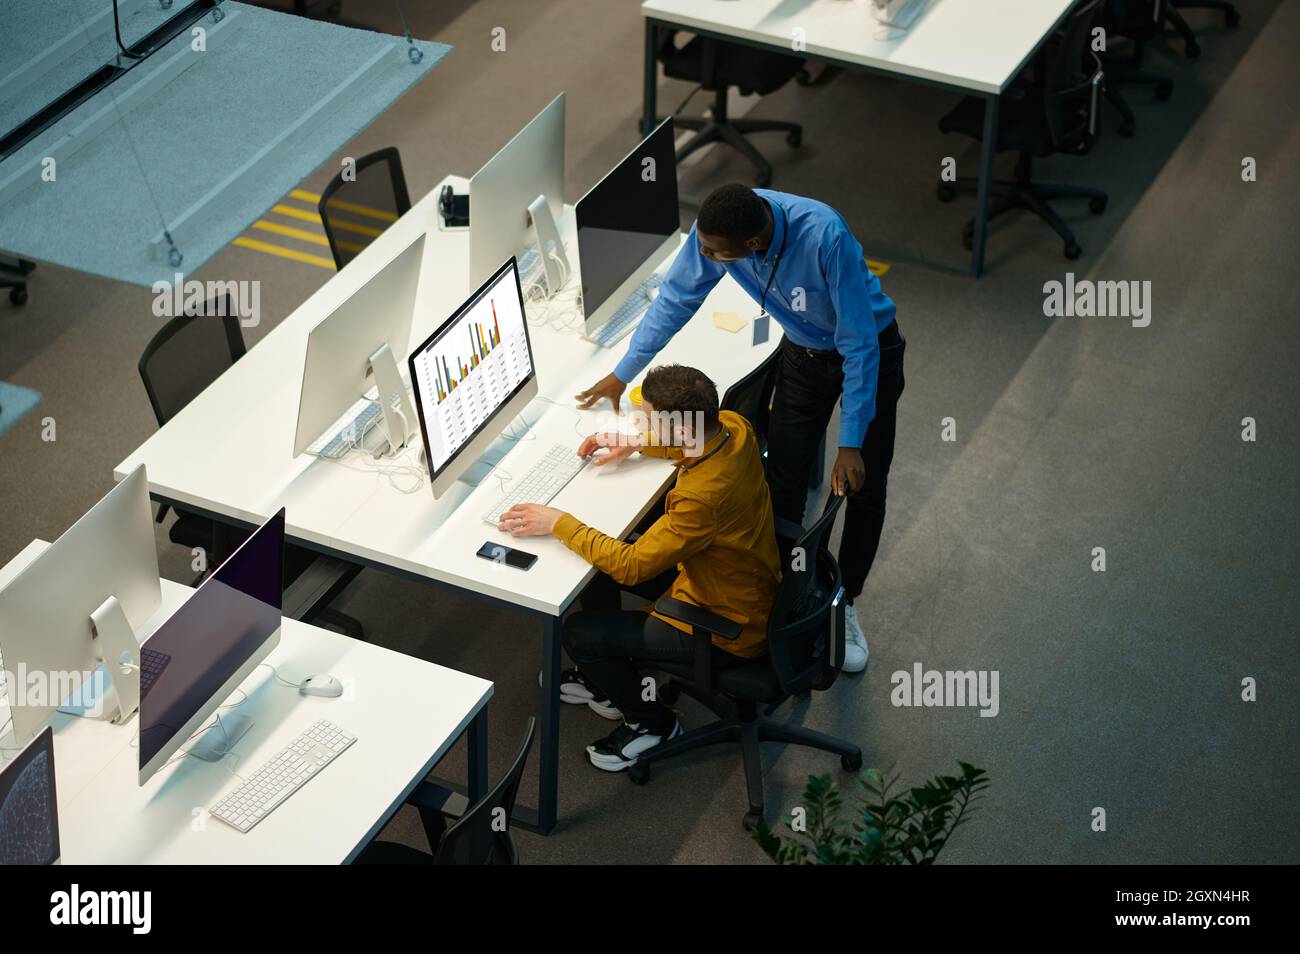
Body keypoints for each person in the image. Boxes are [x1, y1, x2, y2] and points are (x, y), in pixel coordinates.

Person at [575, 184, 904, 673]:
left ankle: (845, 604)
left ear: (752, 244)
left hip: (871, 348)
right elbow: (677, 297)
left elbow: (859, 345)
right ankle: (779, 601)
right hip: (803, 350)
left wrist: (849, 443)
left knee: (864, 485)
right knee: (783, 482)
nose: (702, 255)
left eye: (712, 252)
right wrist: (624, 372)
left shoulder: (823, 236)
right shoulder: (721, 223)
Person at [499, 364, 780, 772]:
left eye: (647, 418)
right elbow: (688, 443)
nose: (641, 422)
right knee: (597, 566)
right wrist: (635, 443)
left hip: (726, 622)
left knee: (579, 633)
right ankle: (611, 681)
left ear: (680, 429)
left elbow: (632, 568)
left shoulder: (700, 499)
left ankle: (654, 723)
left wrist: (558, 522)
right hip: (737, 577)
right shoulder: (733, 426)